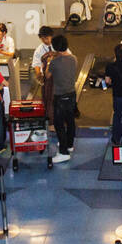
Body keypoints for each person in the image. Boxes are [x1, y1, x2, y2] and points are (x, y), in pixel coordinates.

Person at [47, 34, 79, 163]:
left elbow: (47, 76)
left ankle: (63, 152)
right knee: (70, 121)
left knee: (59, 124)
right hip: (72, 94)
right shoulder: (74, 58)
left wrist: (49, 61)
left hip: (60, 96)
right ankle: (69, 145)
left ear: (55, 47)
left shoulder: (54, 62)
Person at [30, 25, 54, 99]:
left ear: (51, 36)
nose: (45, 41)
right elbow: (36, 63)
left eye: (47, 38)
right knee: (47, 96)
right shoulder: (39, 50)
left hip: (58, 75)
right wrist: (38, 74)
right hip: (46, 76)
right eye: (42, 39)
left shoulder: (58, 45)